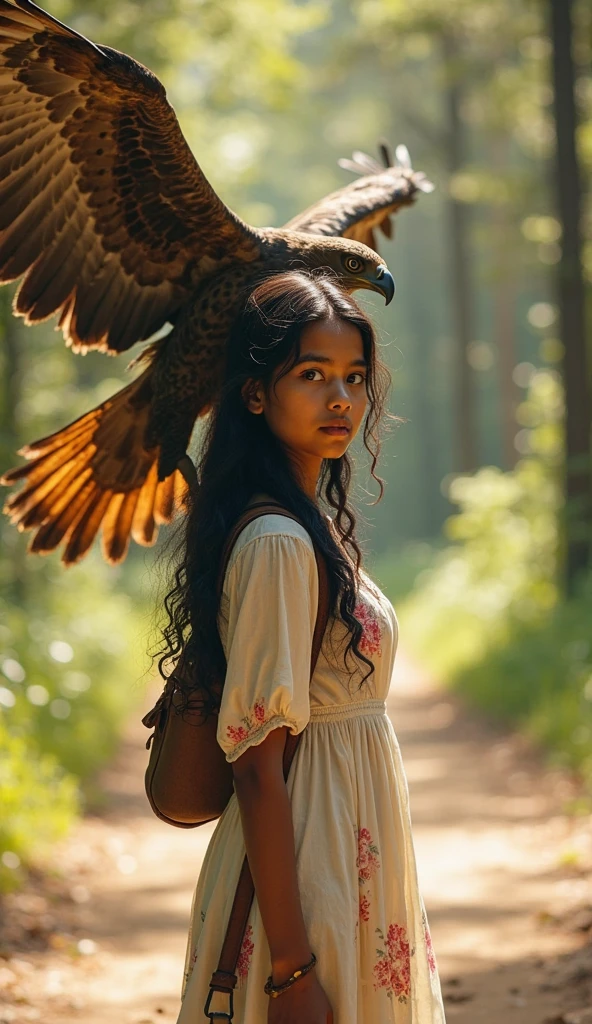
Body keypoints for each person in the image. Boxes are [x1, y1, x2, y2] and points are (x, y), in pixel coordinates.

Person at [157, 270, 446, 1023]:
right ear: (256, 394)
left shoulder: (296, 527)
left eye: (353, 376)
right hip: (309, 874)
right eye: (311, 375)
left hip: (341, 852)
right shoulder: (282, 543)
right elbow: (256, 764)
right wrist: (290, 968)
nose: (341, 398)